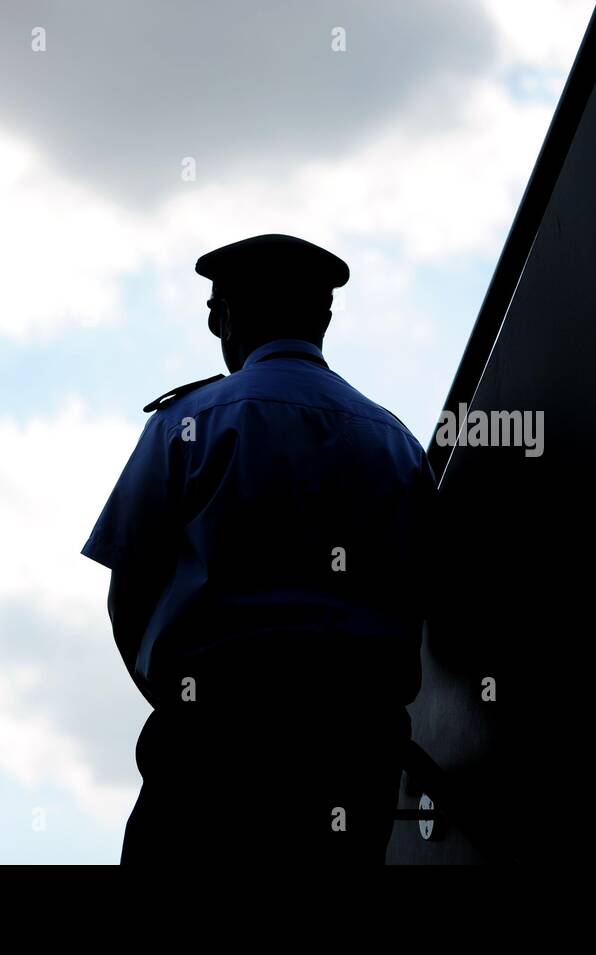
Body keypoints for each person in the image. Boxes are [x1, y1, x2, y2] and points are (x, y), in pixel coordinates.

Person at [81, 234, 437, 864]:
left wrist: (183, 697)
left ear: (230, 316)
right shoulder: (396, 444)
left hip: (214, 738)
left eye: (216, 308)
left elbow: (129, 592)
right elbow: (429, 593)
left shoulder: (187, 422)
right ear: (323, 316)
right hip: (353, 747)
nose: (215, 322)